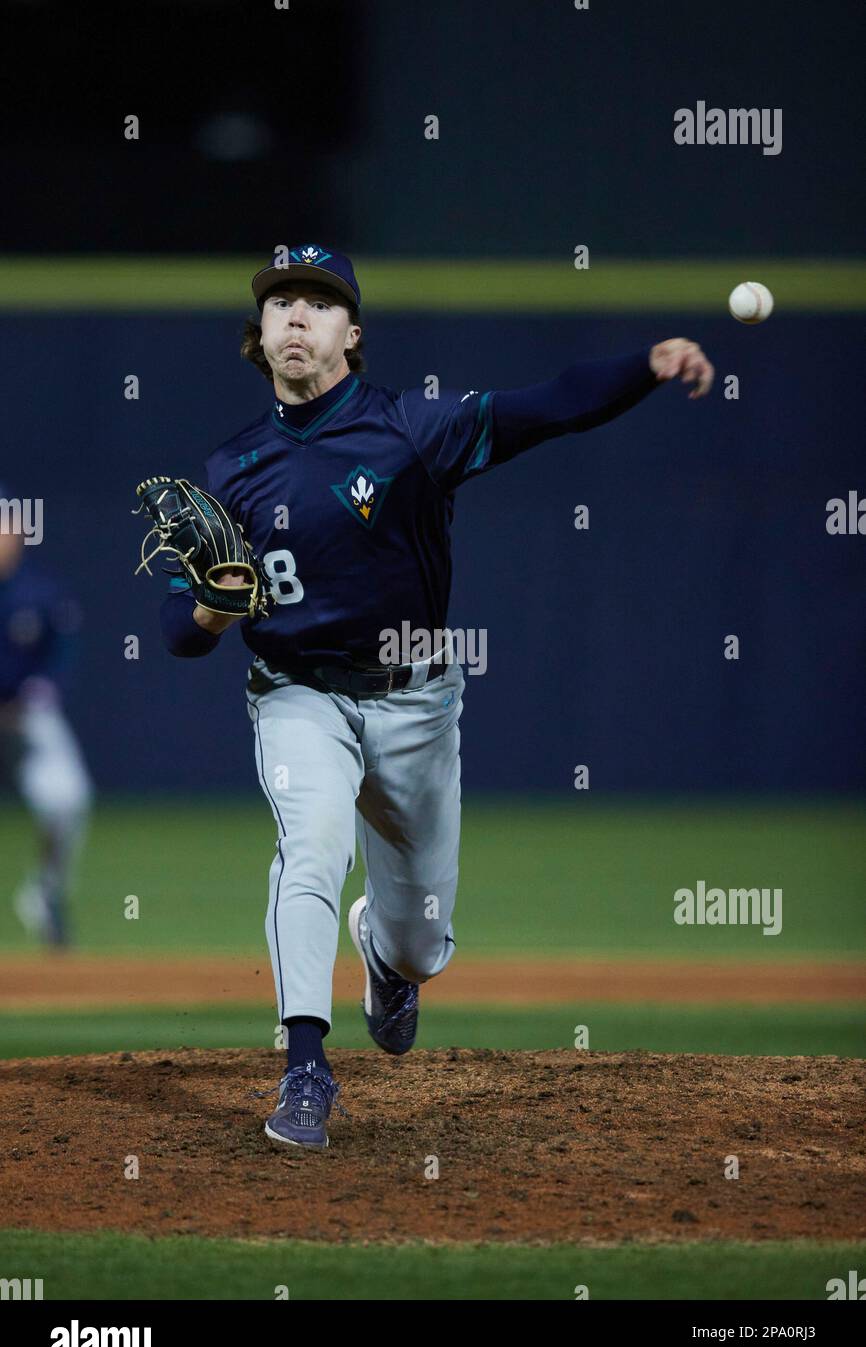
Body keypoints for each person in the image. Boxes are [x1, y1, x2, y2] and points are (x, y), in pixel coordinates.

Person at [158, 244, 714, 1149]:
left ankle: (385, 954)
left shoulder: (413, 428)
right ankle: (306, 1068)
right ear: (259, 336)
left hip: (417, 703)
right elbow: (180, 633)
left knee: (420, 941)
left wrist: (646, 367)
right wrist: (212, 615)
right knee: (311, 851)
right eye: (281, 303)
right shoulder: (229, 471)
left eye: (318, 302)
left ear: (353, 333)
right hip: (298, 695)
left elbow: (552, 406)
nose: (296, 315)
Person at [0, 495, 92, 948]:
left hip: (23, 718)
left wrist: (34, 696)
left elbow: (59, 660)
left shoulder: (39, 593)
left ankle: (46, 893)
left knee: (66, 797)